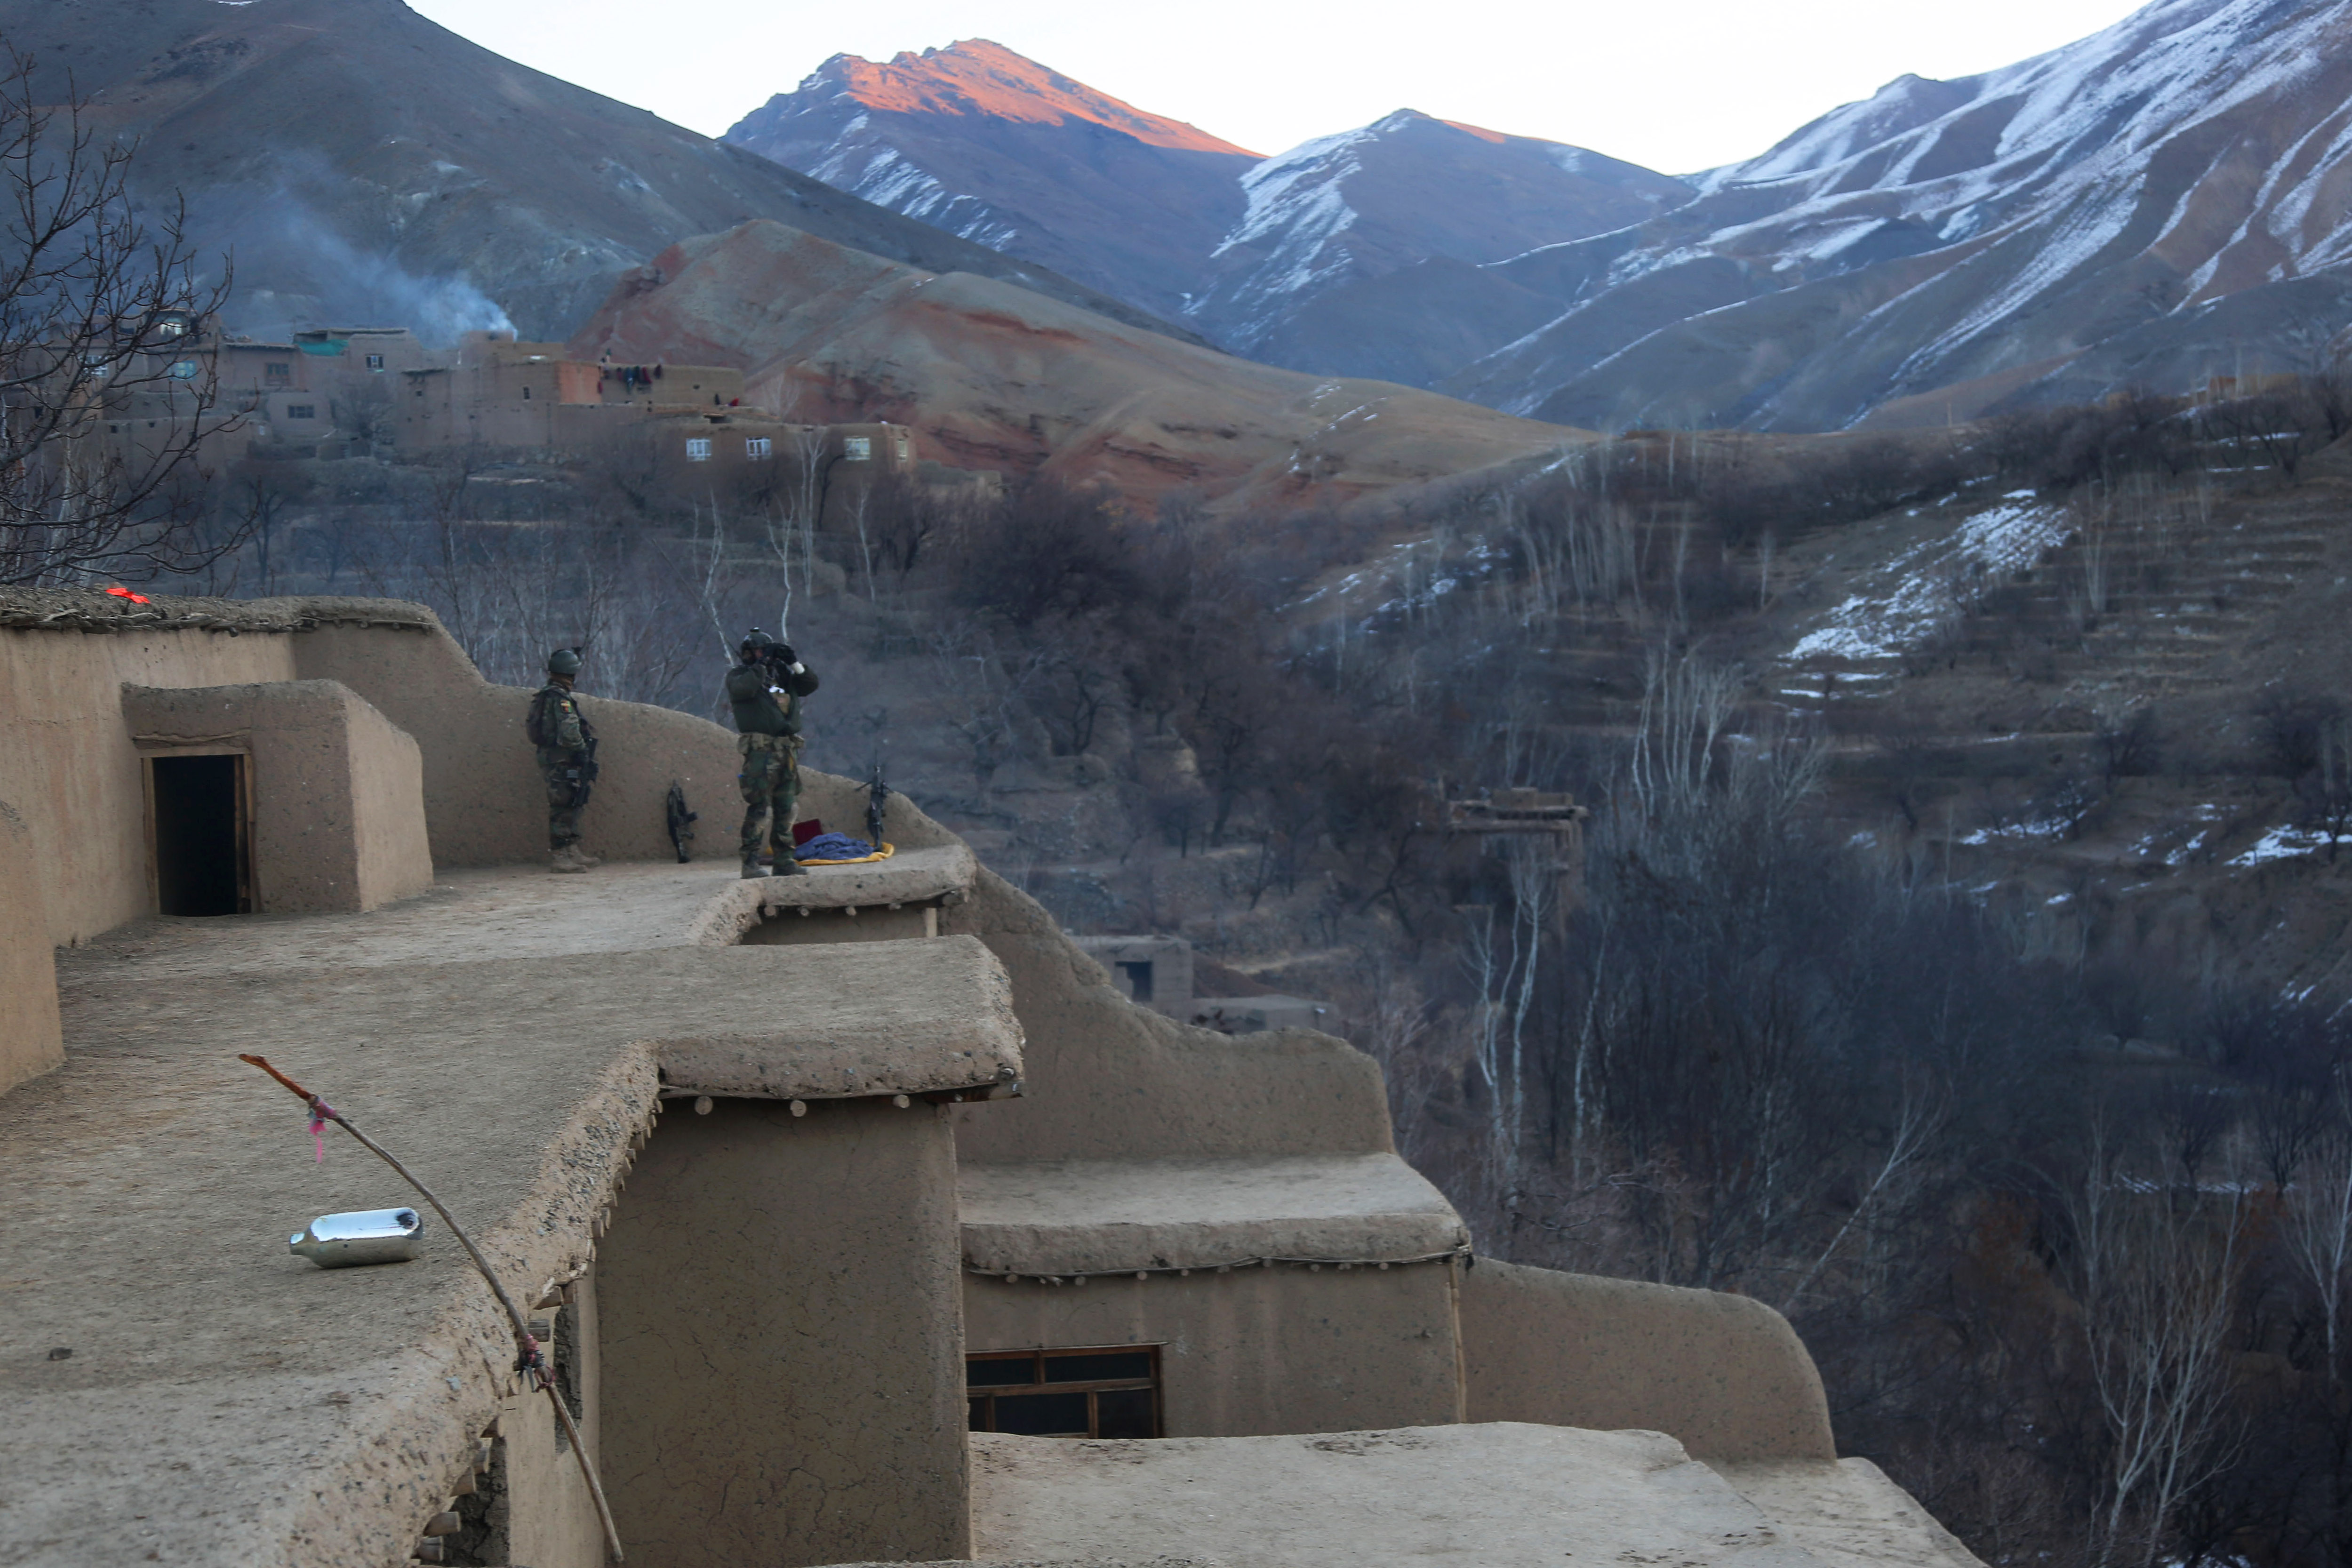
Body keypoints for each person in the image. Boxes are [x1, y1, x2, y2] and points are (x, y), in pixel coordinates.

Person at [725, 630, 819, 879]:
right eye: (757, 651)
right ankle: (750, 863)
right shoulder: (740, 676)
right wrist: (761, 665)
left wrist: (794, 663)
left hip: (785, 751)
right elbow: (743, 689)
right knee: (760, 808)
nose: (762, 655)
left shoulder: (783, 679)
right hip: (760, 752)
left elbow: (810, 685)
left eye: (765, 651)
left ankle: (784, 860)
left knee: (787, 807)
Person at [528, 647, 600, 874]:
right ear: (570, 674)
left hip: (555, 758)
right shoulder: (560, 699)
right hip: (559, 758)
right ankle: (560, 855)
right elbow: (569, 732)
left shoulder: (549, 694)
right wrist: (581, 750)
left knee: (571, 801)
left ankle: (571, 849)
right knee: (562, 804)